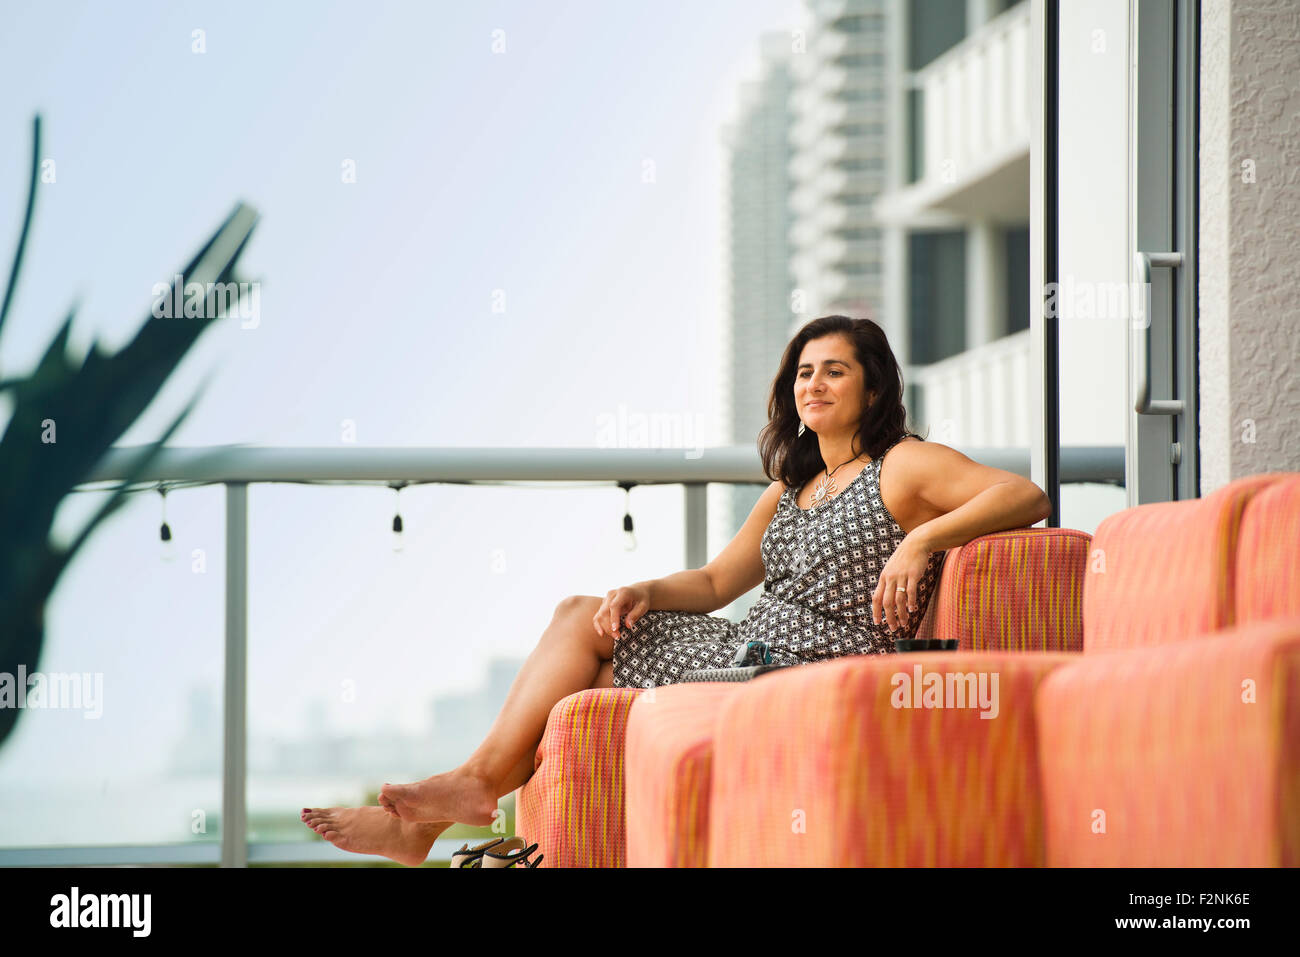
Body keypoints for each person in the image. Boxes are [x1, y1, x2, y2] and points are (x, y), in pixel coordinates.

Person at [300, 314, 1052, 865]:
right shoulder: (796, 488)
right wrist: (645, 589)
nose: (813, 383)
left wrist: (922, 539)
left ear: (874, 385)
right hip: (750, 645)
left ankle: (465, 792)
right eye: (803, 371)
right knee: (587, 646)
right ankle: (438, 816)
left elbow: (1025, 493)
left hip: (811, 665)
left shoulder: (904, 465)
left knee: (575, 628)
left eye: (834, 369)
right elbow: (719, 580)